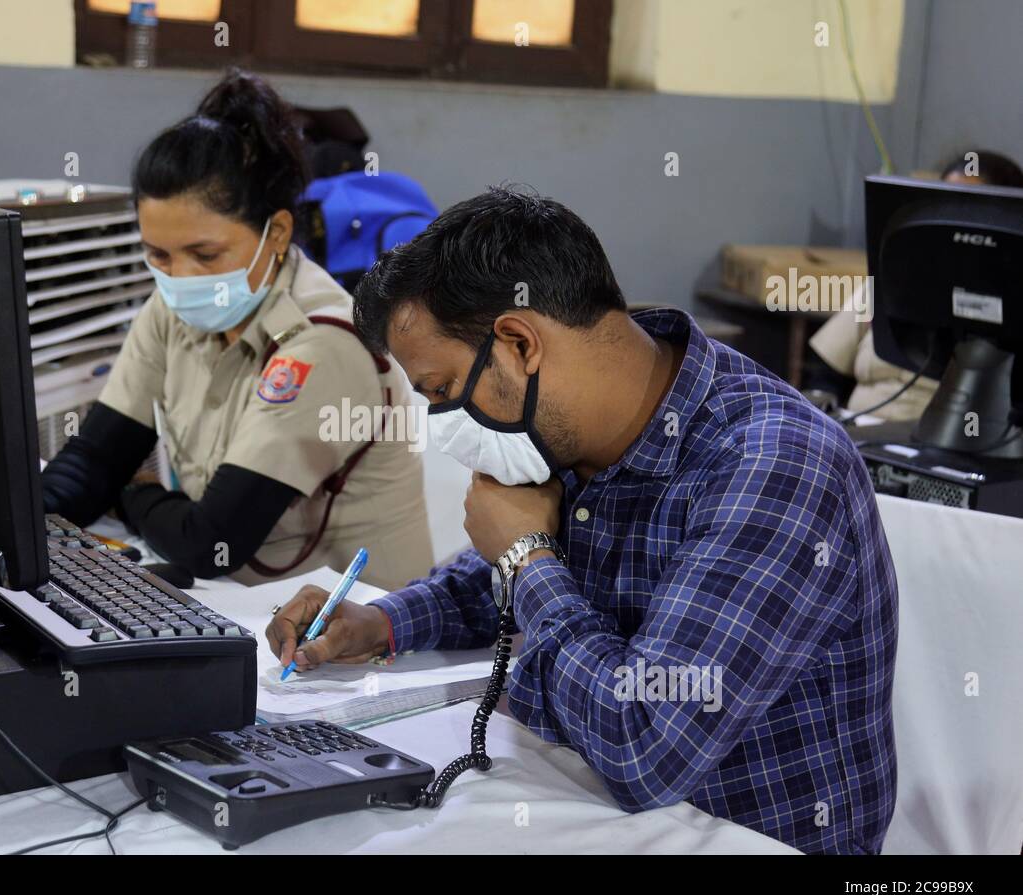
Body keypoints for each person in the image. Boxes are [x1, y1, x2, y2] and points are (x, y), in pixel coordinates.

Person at [265, 188, 899, 854]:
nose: (443, 422)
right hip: (581, 799)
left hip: (739, 834)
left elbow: (645, 745)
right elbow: (500, 573)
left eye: (442, 390)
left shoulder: (773, 467)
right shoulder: (575, 423)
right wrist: (384, 621)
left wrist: (527, 559)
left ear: (518, 343)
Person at [40, 69, 431, 590]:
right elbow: (93, 460)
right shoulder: (172, 310)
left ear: (278, 234)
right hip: (245, 605)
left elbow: (210, 543)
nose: (178, 277)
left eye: (205, 254)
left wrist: (129, 487)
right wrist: (12, 520)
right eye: (158, 254)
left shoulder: (321, 344)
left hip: (350, 636)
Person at [807, 149, 1023, 420]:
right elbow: (827, 371)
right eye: (946, 202)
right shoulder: (894, 279)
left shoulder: (1011, 305)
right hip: (857, 434)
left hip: (944, 442)